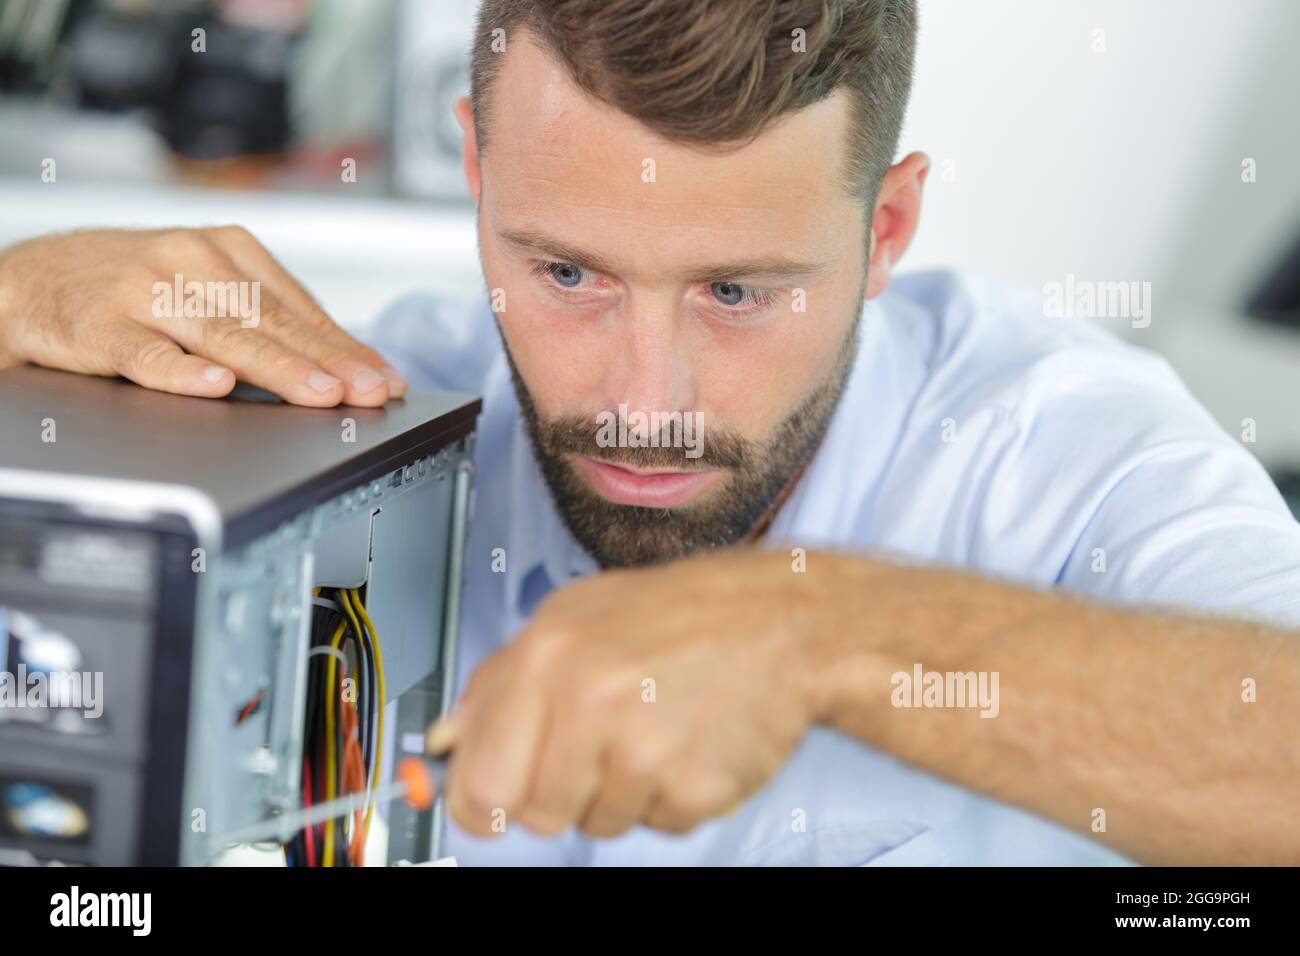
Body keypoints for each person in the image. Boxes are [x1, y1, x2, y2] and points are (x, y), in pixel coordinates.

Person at [1, 0, 1297, 865]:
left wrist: (829, 635)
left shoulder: (1061, 451)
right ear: (476, 168)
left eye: (738, 292)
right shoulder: (372, 409)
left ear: (885, 229)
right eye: (568, 273)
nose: (645, 400)